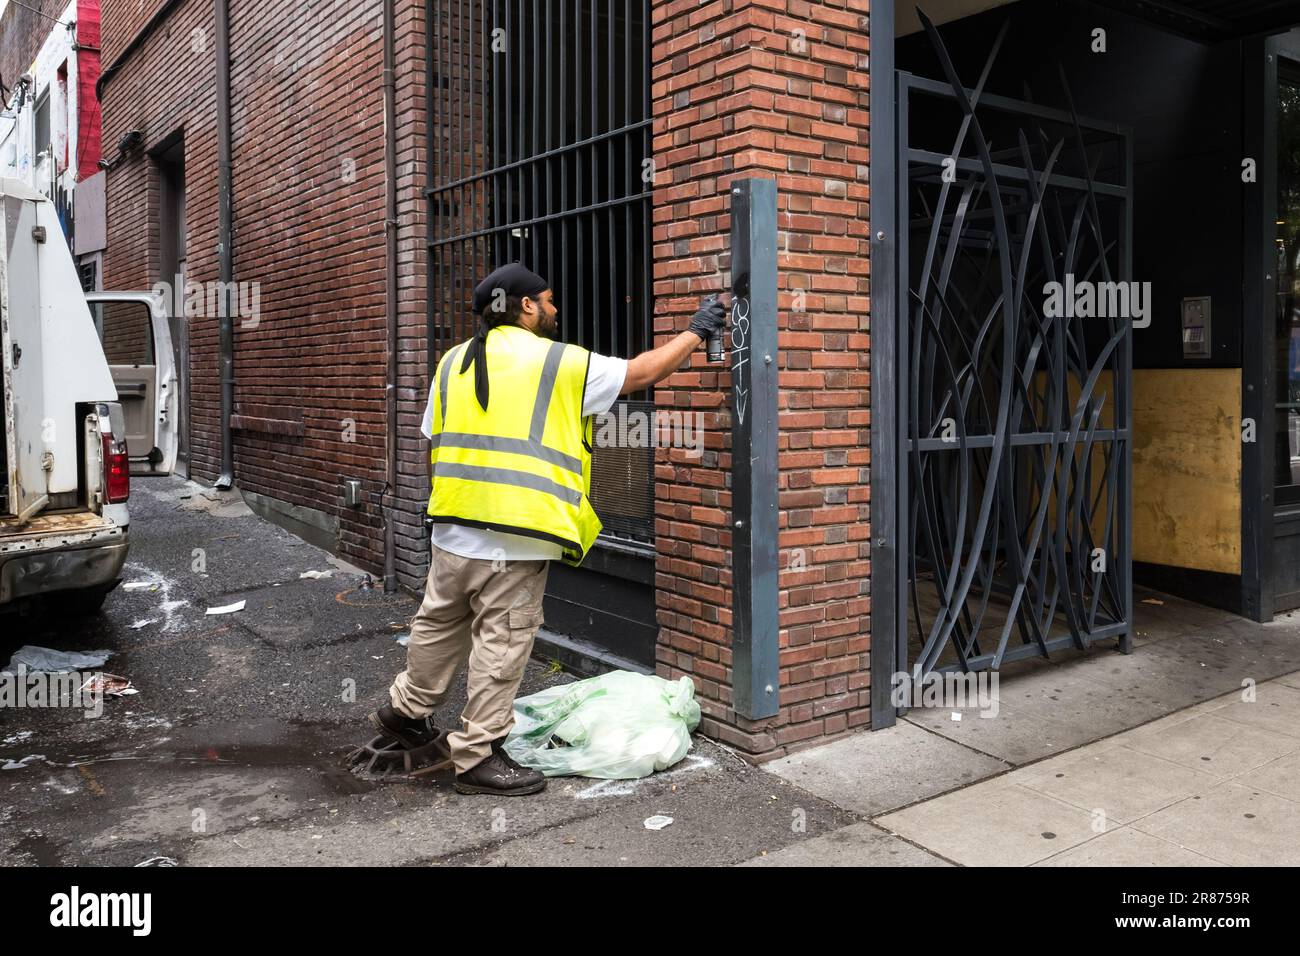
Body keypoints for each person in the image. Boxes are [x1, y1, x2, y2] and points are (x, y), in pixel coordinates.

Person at [370, 262, 728, 795]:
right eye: (549, 299)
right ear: (526, 306)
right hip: (515, 534)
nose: (556, 309)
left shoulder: (451, 361)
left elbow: (433, 435)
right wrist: (696, 331)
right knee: (503, 641)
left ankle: (405, 714)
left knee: (438, 625)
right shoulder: (556, 361)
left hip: (450, 527)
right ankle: (478, 757)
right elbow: (643, 374)